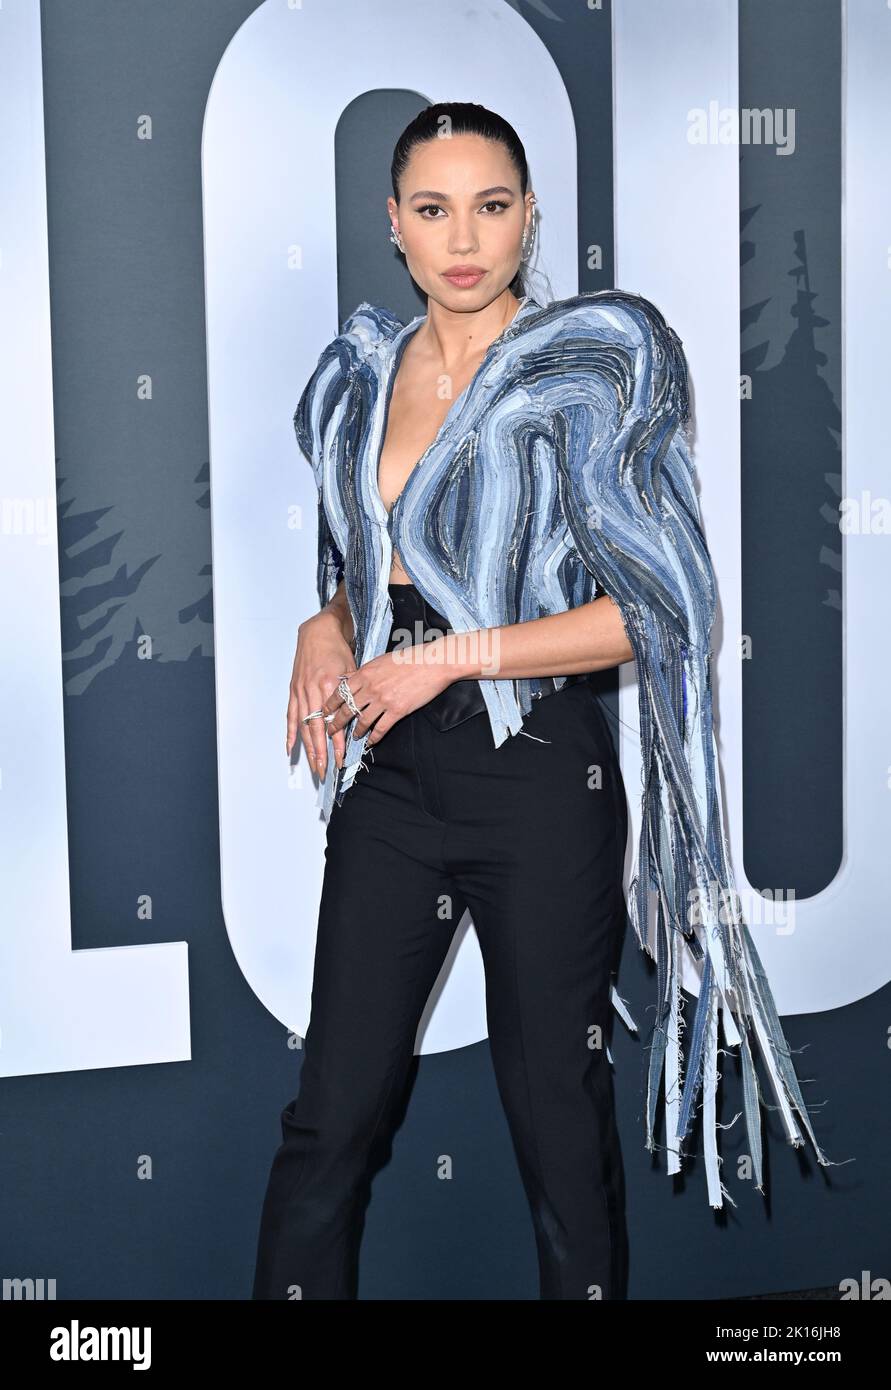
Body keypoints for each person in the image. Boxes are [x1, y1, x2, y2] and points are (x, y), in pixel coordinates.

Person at [251, 102, 832, 1301]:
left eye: (493, 204)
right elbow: (359, 557)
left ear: (528, 216)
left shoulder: (596, 362)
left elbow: (665, 610)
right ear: (393, 228)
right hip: (392, 776)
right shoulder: (359, 373)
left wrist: (451, 659)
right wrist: (329, 619)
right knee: (328, 1123)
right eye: (433, 208)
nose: (465, 237)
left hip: (539, 772)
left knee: (558, 1136)